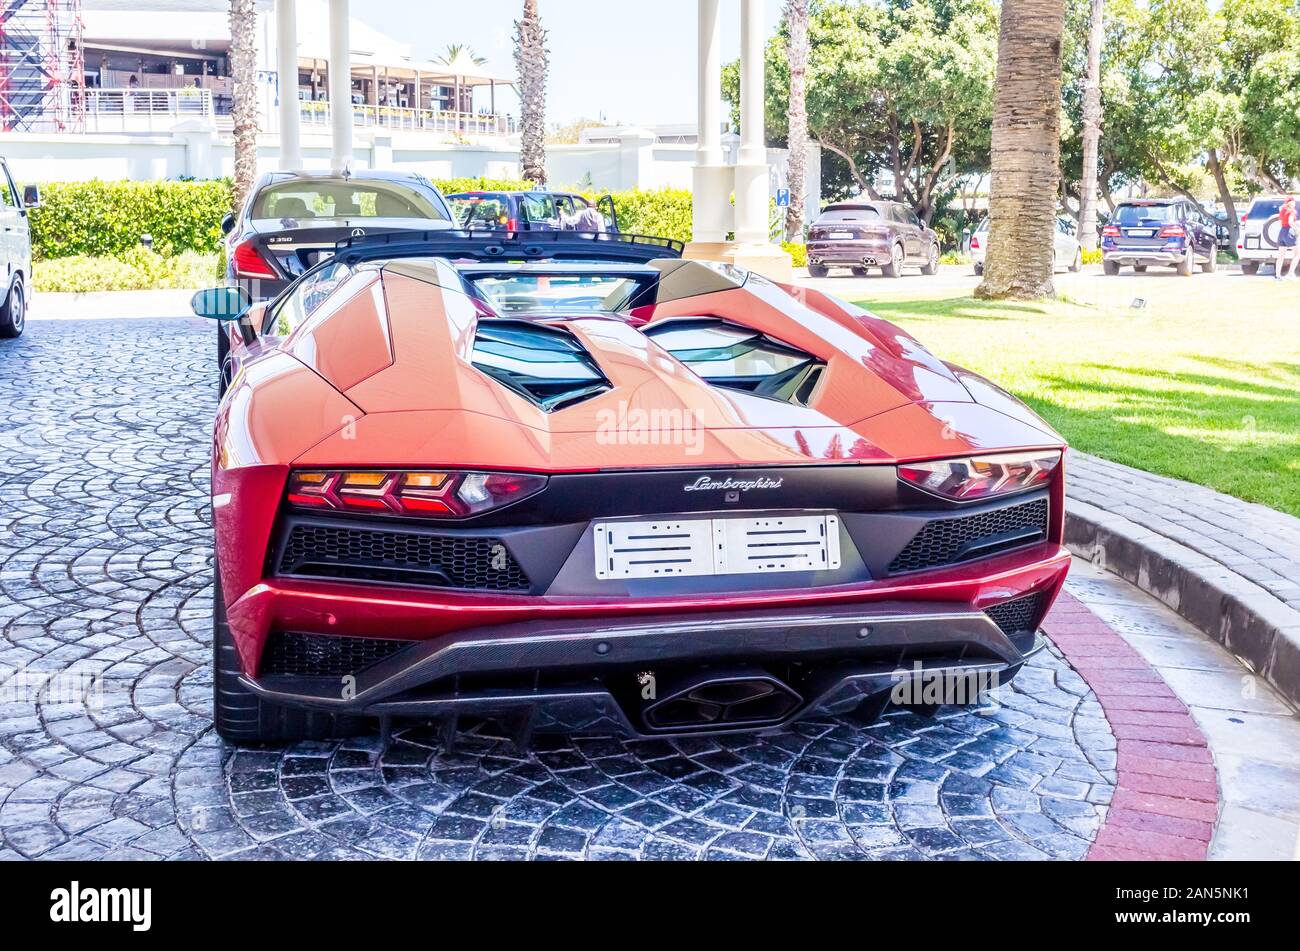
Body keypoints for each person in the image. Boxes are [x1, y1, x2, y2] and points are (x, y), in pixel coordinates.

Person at [1275, 195, 1297, 278]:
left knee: (1281, 255)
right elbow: (1291, 222)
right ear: (1291, 202)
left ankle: (1277, 275)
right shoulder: (1292, 211)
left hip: (1282, 232)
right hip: (1289, 232)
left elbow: (1281, 208)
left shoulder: (1282, 210)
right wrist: (1298, 229)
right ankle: (1290, 274)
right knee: (1297, 254)